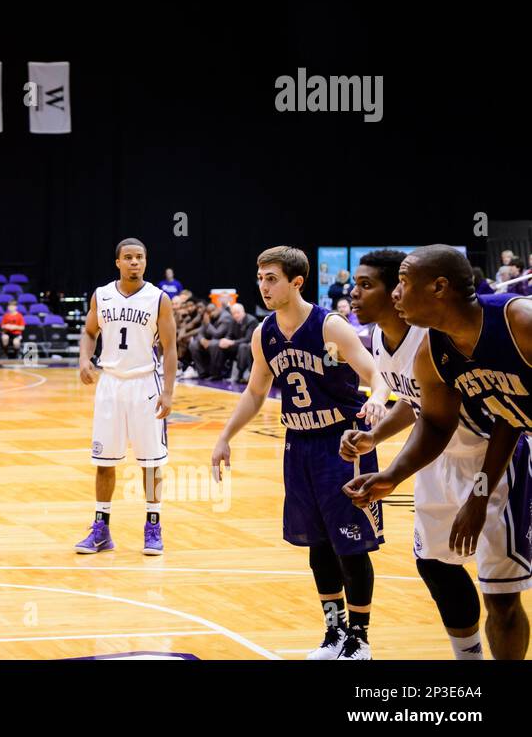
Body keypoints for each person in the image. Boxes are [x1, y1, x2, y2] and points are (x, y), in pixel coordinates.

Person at [345, 246, 532, 656]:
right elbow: (434, 418)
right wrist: (390, 472)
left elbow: (509, 421)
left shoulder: (519, 321)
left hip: (501, 458)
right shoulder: (434, 350)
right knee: (447, 569)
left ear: (439, 287)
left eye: (404, 283)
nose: (396, 293)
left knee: (502, 594)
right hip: (468, 456)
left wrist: (481, 493)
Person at [211, 246, 388, 660]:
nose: (263, 286)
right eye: (260, 278)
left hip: (343, 444)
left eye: (271, 278)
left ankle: (360, 639)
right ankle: (334, 634)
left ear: (296, 282)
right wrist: (225, 436)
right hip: (299, 445)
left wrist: (379, 397)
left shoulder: (331, 327)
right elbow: (256, 392)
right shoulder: (263, 333)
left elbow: (375, 372)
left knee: (351, 543)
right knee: (318, 544)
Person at [75, 238, 177, 556]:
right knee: (103, 462)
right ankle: (102, 528)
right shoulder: (101, 295)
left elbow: (171, 348)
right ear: (117, 262)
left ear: (146, 262)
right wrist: (83, 359)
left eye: (140, 257)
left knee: (151, 462)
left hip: (145, 385)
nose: (135, 262)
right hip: (110, 385)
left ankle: (153, 526)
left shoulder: (159, 298)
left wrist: (170, 392)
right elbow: (89, 332)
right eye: (128, 257)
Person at [187, 301, 228, 380]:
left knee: (213, 344)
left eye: (212, 311)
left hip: (223, 341)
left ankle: (215, 374)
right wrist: (202, 340)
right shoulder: (208, 317)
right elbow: (200, 333)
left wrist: (208, 324)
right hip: (210, 341)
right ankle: (202, 372)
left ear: (217, 309)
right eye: (209, 312)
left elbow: (217, 334)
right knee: (193, 344)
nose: (211, 314)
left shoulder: (225, 317)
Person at [219, 302, 259, 382]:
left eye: (238, 313)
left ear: (243, 311)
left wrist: (232, 342)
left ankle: (240, 373)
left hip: (249, 345)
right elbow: (229, 335)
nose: (236, 315)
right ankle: (219, 373)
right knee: (218, 345)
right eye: (234, 313)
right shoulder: (233, 321)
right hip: (237, 344)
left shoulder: (252, 321)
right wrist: (225, 340)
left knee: (243, 347)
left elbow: (248, 339)